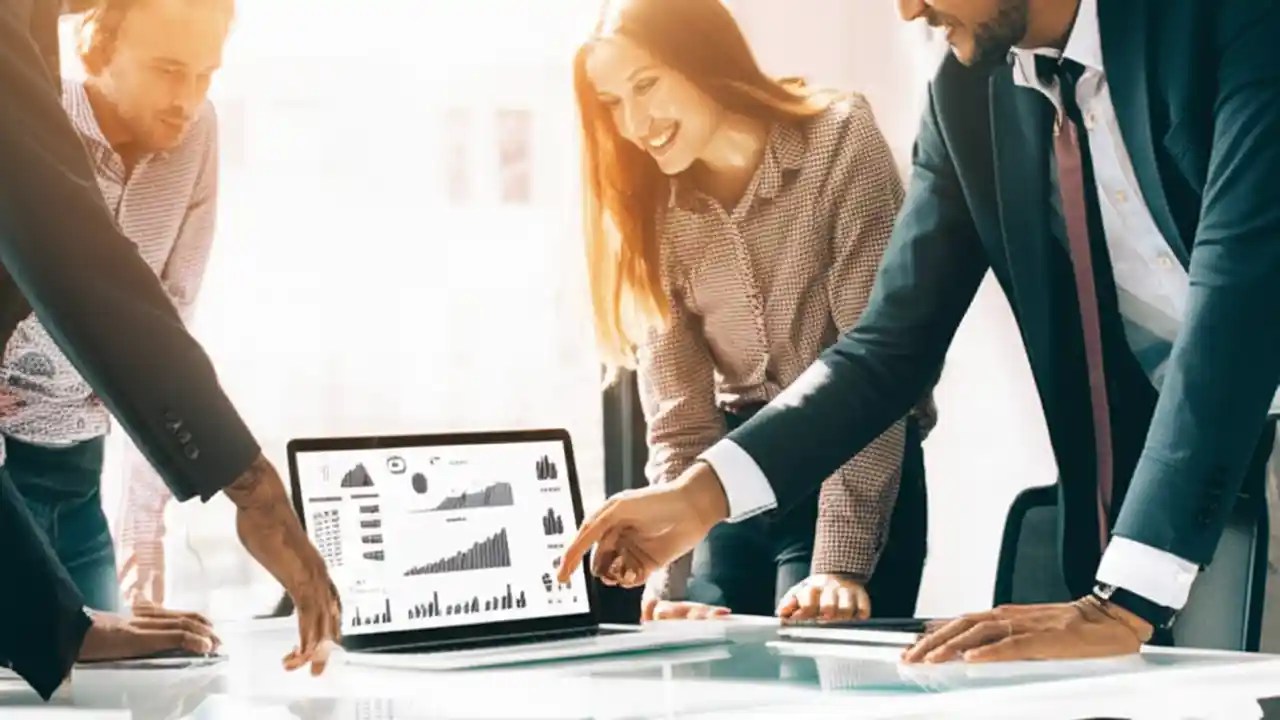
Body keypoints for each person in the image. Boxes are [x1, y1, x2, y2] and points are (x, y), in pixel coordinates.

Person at [560, 0, 1280, 663]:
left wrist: (1122, 599)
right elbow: (886, 348)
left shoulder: (1236, 22)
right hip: (1157, 496)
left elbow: (1238, 299)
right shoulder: (966, 96)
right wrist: (699, 495)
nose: (907, 8)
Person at [0, 0, 340, 700]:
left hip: (77, 462)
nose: (186, 98)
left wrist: (58, 620)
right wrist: (249, 483)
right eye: (166, 69)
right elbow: (67, 246)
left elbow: (142, 304)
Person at [574, 0, 933, 624]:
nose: (634, 122)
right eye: (612, 102)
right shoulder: (652, 214)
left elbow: (877, 376)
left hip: (854, 462)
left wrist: (839, 564)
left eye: (646, 84)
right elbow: (682, 423)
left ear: (702, 59)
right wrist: (668, 578)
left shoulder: (841, 140)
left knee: (822, 674)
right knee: (704, 663)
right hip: (731, 481)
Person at [0, 0, 233, 613]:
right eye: (167, 69)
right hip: (6, 479)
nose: (187, 97)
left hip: (81, 481)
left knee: (113, 688)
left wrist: (143, 539)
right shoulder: (30, 129)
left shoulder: (196, 137)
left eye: (204, 73)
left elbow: (171, 335)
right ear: (97, 48)